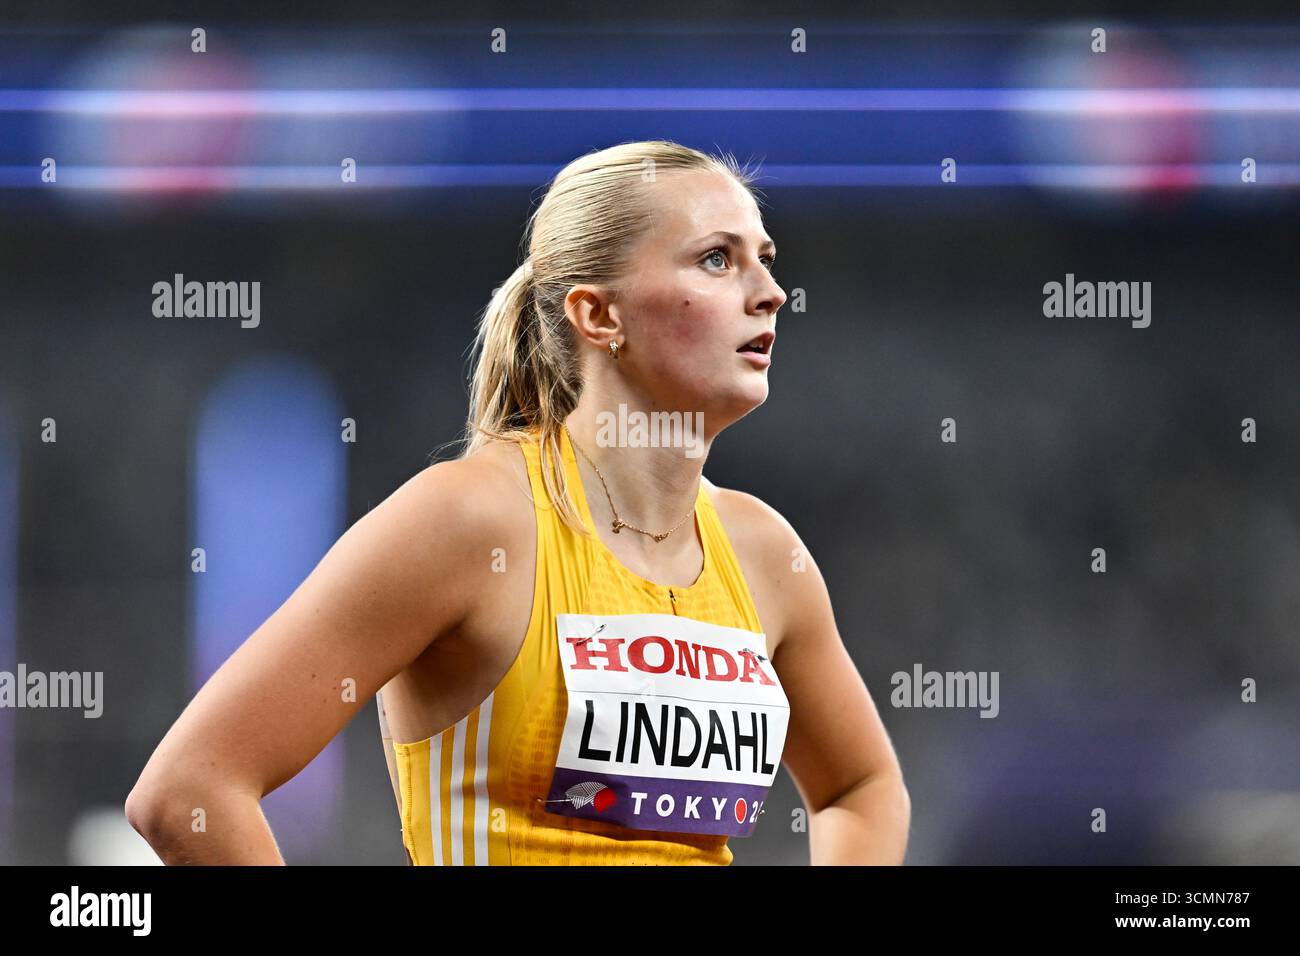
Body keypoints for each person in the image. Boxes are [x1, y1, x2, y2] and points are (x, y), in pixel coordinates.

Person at [125, 139, 910, 865]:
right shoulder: (472, 521)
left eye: (765, 261)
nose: (771, 294)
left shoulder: (763, 553)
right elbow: (189, 788)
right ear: (599, 315)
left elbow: (860, 788)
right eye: (716, 259)